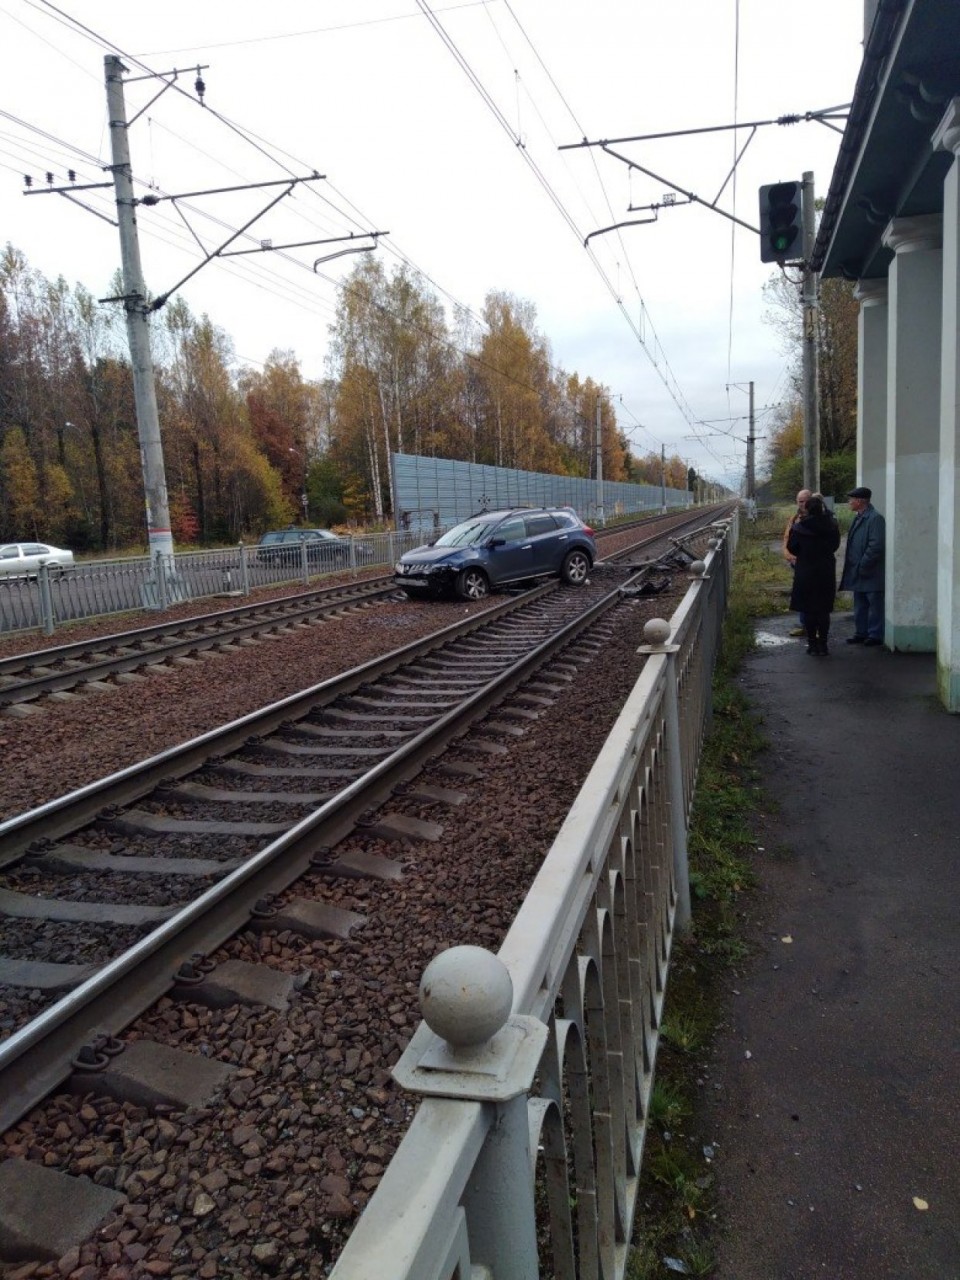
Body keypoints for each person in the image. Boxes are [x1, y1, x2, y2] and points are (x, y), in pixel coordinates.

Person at [787, 493, 840, 655]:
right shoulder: (832, 525)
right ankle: (823, 645)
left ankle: (812, 644)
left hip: (806, 571)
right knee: (823, 610)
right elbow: (835, 546)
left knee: (808, 609)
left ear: (807, 509)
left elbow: (792, 548)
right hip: (825, 571)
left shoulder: (799, 527)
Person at [839, 486, 886, 646]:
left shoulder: (875, 518)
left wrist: (863, 565)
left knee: (874, 604)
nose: (849, 502)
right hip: (858, 570)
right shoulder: (859, 517)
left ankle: (875, 635)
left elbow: (876, 546)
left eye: (851, 499)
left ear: (860, 501)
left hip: (870, 571)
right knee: (860, 604)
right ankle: (861, 632)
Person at [782, 488, 812, 636]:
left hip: (811, 564)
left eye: (803, 501)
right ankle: (804, 624)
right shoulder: (795, 518)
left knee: (813, 595)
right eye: (799, 501)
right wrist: (788, 555)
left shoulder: (818, 518)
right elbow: (787, 538)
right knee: (801, 594)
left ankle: (815, 627)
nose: (801, 504)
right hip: (797, 562)